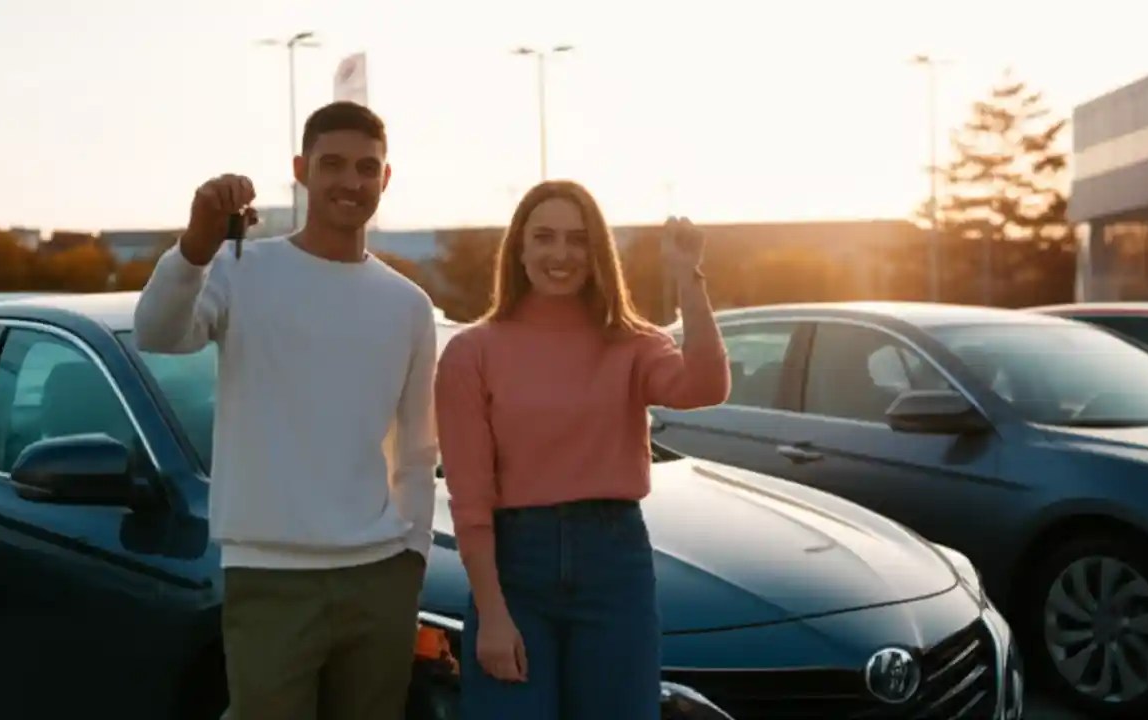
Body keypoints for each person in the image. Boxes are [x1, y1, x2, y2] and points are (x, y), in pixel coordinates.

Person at [133, 101, 438, 720]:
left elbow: (417, 451)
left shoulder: (408, 304)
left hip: (380, 577)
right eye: (332, 164)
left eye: (366, 167)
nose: (350, 181)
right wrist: (195, 245)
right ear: (301, 170)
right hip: (269, 575)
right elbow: (157, 333)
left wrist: (413, 559)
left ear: (386, 177)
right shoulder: (240, 269)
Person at [434, 179, 731, 719]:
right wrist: (492, 614)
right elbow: (470, 497)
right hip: (514, 569)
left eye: (577, 239)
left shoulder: (632, 342)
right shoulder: (471, 352)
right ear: (519, 249)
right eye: (544, 237)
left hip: (614, 563)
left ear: (597, 253)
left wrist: (688, 278)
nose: (561, 254)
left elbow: (706, 387)